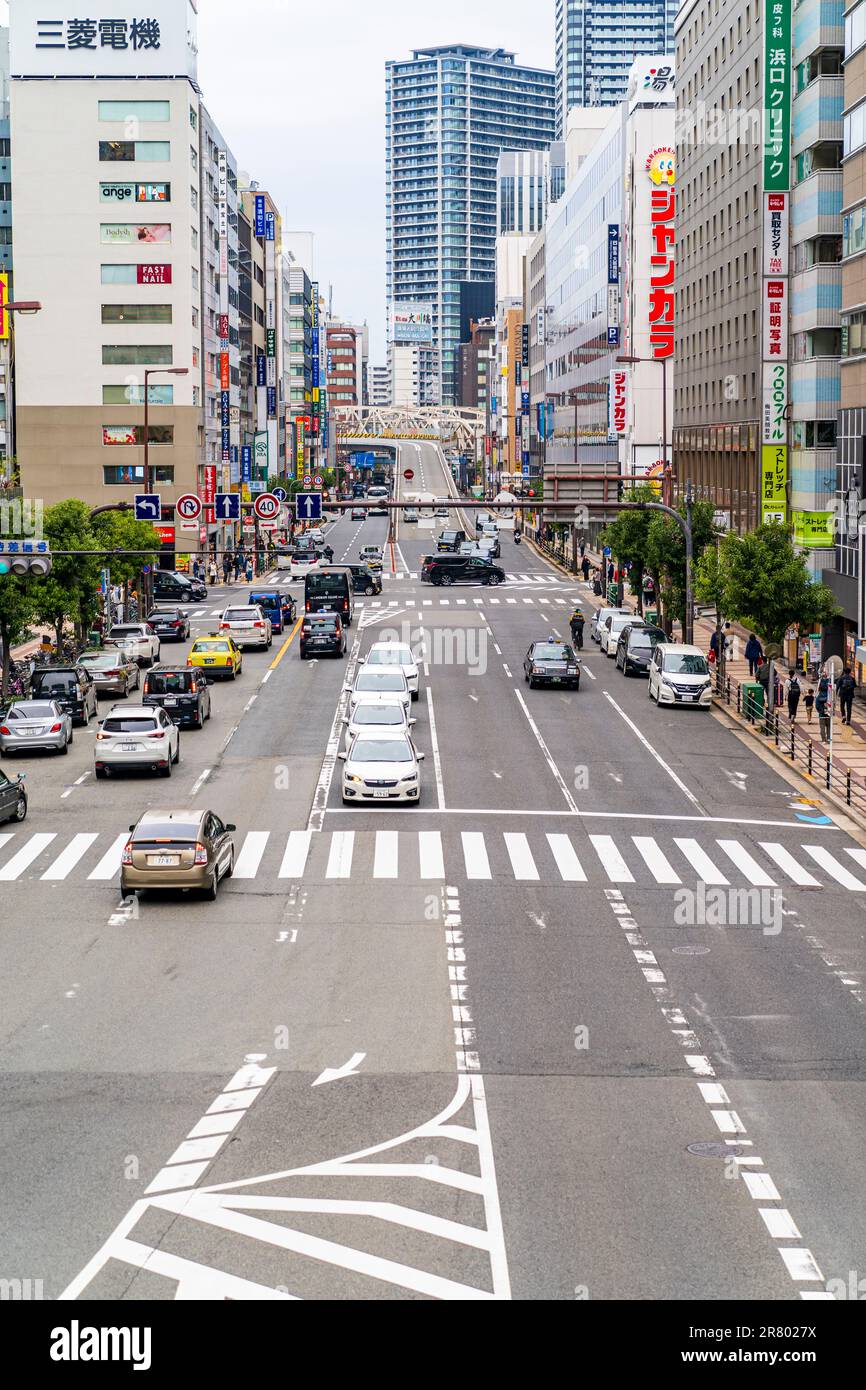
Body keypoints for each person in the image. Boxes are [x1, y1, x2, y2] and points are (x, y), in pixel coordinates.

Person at [815, 675, 831, 741]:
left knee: (822, 727)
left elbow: (816, 705)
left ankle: (823, 739)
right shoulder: (829, 695)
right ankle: (829, 738)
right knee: (828, 727)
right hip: (828, 713)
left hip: (821, 714)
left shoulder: (818, 696)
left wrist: (820, 711)